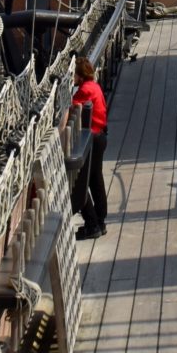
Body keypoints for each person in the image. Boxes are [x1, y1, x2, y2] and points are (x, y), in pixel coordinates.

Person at [69, 54, 108, 240]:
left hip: (90, 139)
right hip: (100, 136)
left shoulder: (84, 90)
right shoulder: (95, 86)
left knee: (80, 182)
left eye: (74, 75)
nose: (73, 79)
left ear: (80, 76)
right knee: (95, 179)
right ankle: (100, 221)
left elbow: (72, 108)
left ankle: (92, 224)